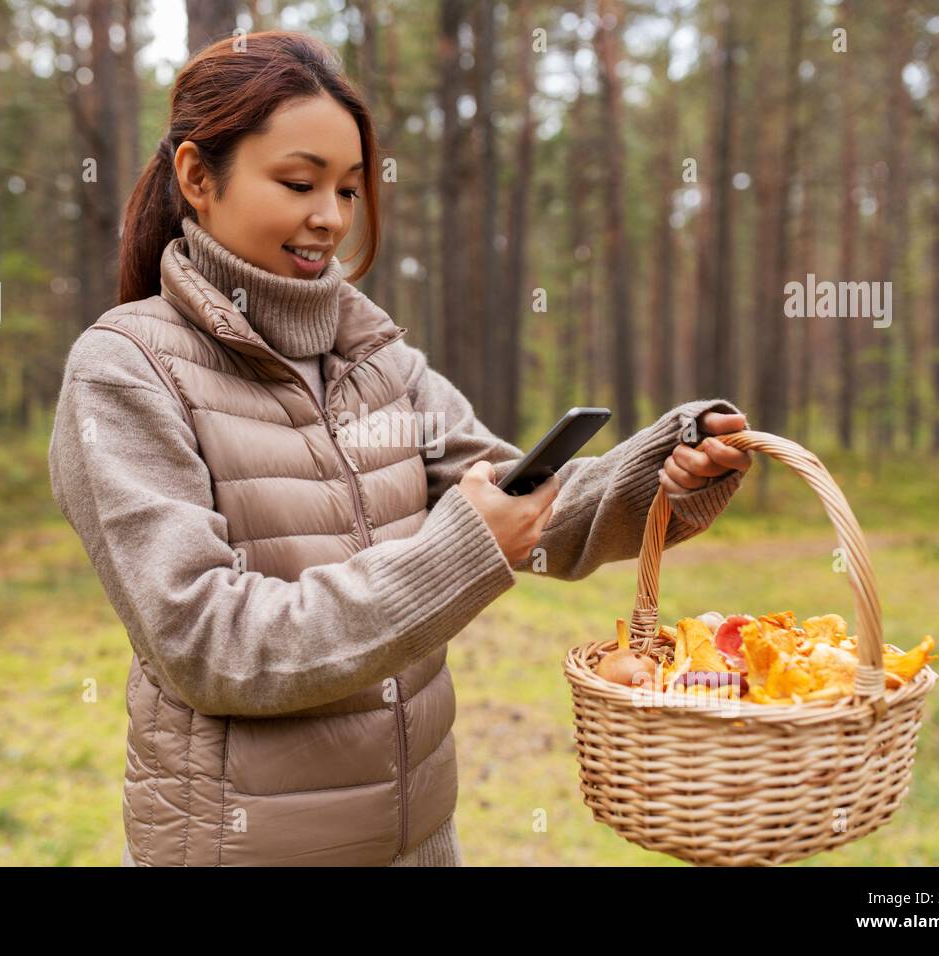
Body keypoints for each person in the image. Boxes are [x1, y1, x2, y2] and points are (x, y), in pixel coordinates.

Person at [48, 30, 753, 867]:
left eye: (348, 188)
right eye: (299, 182)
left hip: (418, 843)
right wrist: (455, 556)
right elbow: (208, 642)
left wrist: (666, 469)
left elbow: (536, 513)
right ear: (199, 178)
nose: (332, 218)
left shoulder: (378, 358)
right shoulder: (125, 372)